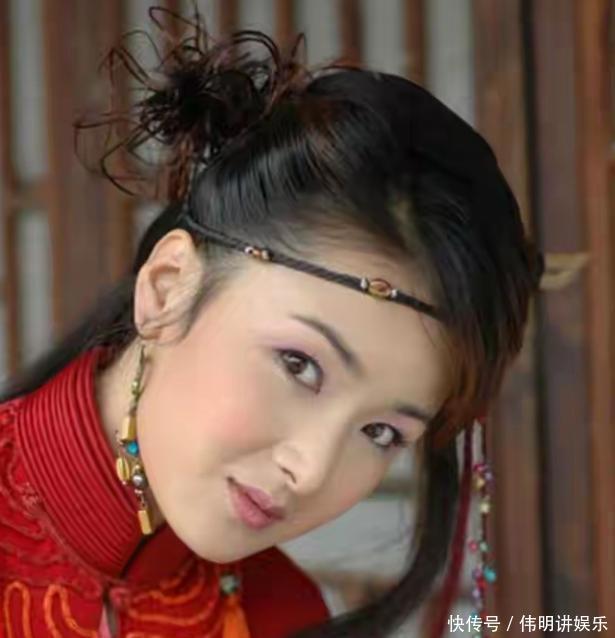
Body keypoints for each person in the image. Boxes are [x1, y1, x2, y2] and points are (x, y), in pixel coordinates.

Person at [0, 7, 543, 638]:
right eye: (299, 365)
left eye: (381, 432)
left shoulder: (280, 612)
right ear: (168, 288)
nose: (310, 471)